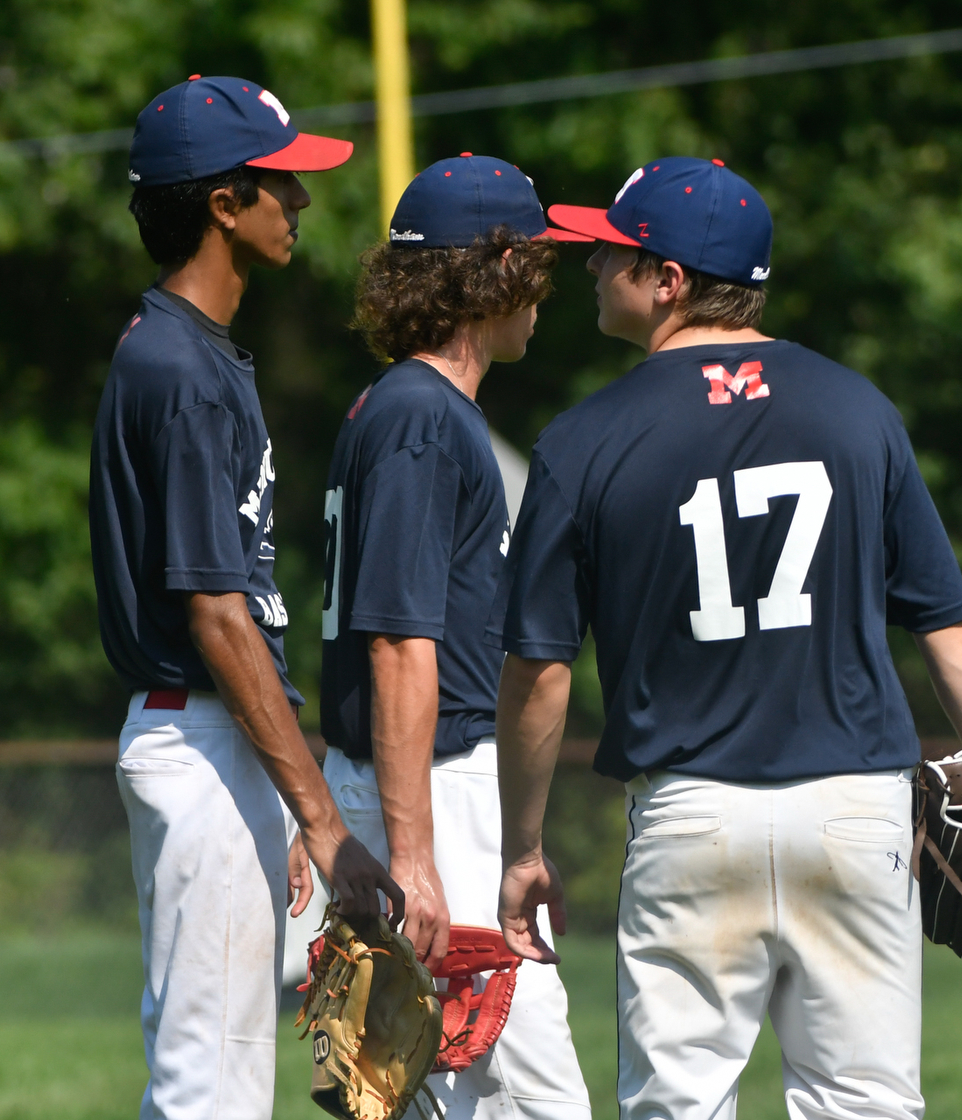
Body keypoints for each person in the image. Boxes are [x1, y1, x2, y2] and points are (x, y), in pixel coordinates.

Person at [491, 157, 962, 1120]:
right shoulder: (857, 407)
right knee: (865, 1105)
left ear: (668, 281)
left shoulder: (584, 438)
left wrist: (523, 847)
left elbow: (542, 672)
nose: (592, 262)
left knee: (679, 1105)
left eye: (614, 250)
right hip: (854, 810)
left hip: (692, 817)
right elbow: (948, 627)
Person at [89, 76, 403, 1120]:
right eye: (280, 184)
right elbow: (215, 613)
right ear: (223, 204)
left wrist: (284, 802)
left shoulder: (195, 353)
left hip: (226, 742)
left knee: (220, 1070)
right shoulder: (177, 366)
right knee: (208, 1080)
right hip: (204, 729)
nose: (299, 204)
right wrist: (321, 821)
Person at [319, 153, 593, 1120]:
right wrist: (413, 854)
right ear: (494, 270)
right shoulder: (424, 418)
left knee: (451, 1098)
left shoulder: (412, 408)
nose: (545, 290)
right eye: (537, 263)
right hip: (434, 794)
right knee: (535, 1098)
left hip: (425, 788)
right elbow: (397, 643)